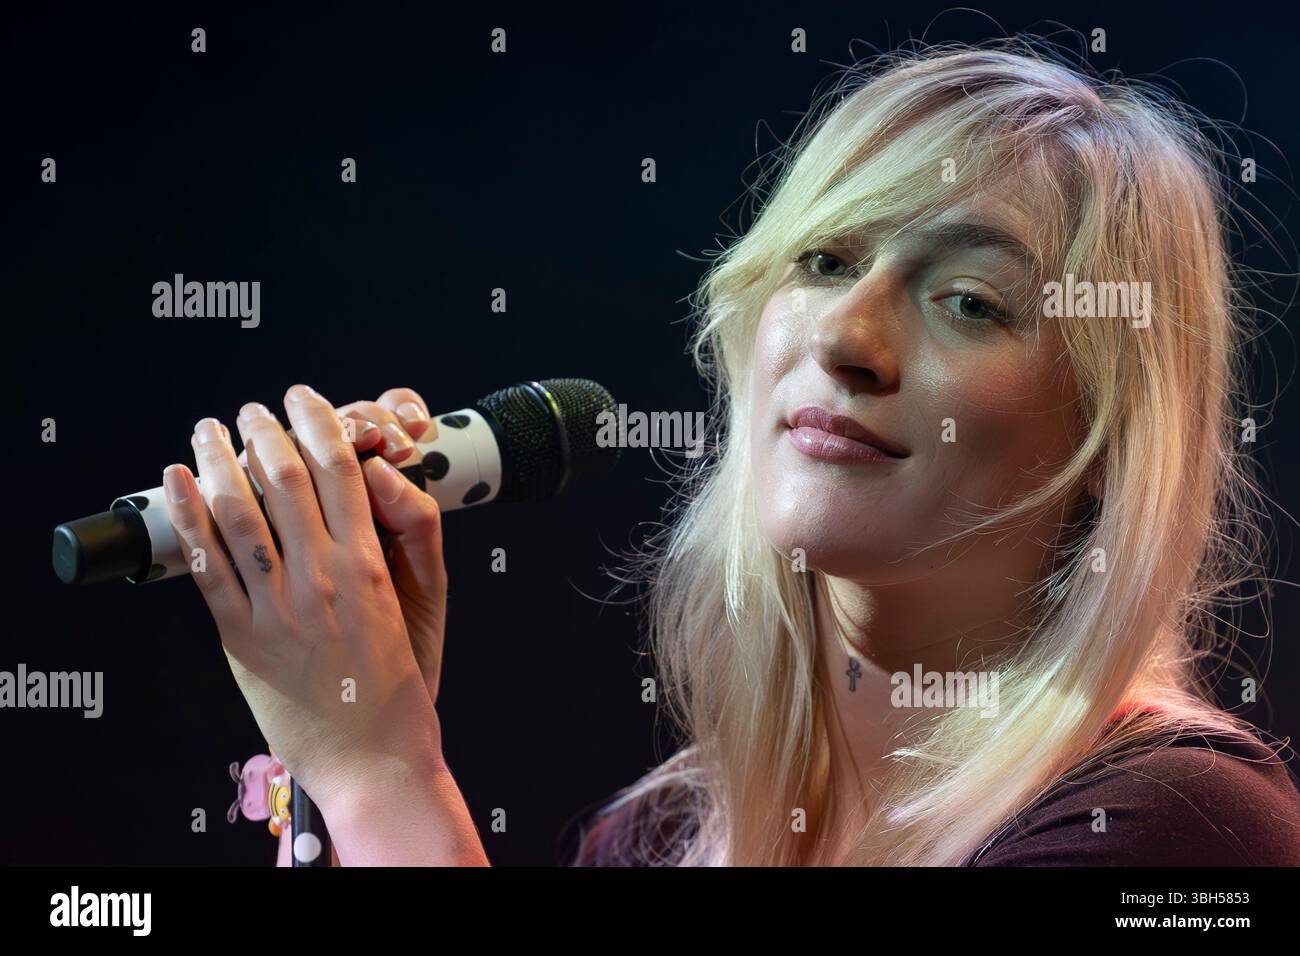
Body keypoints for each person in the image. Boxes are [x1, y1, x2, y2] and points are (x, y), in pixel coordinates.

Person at [163, 40, 1300, 866]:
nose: (846, 336)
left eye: (967, 300)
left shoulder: (1178, 830)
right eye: (820, 260)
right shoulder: (657, 839)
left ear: (1108, 438)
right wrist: (336, 742)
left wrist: (384, 773)